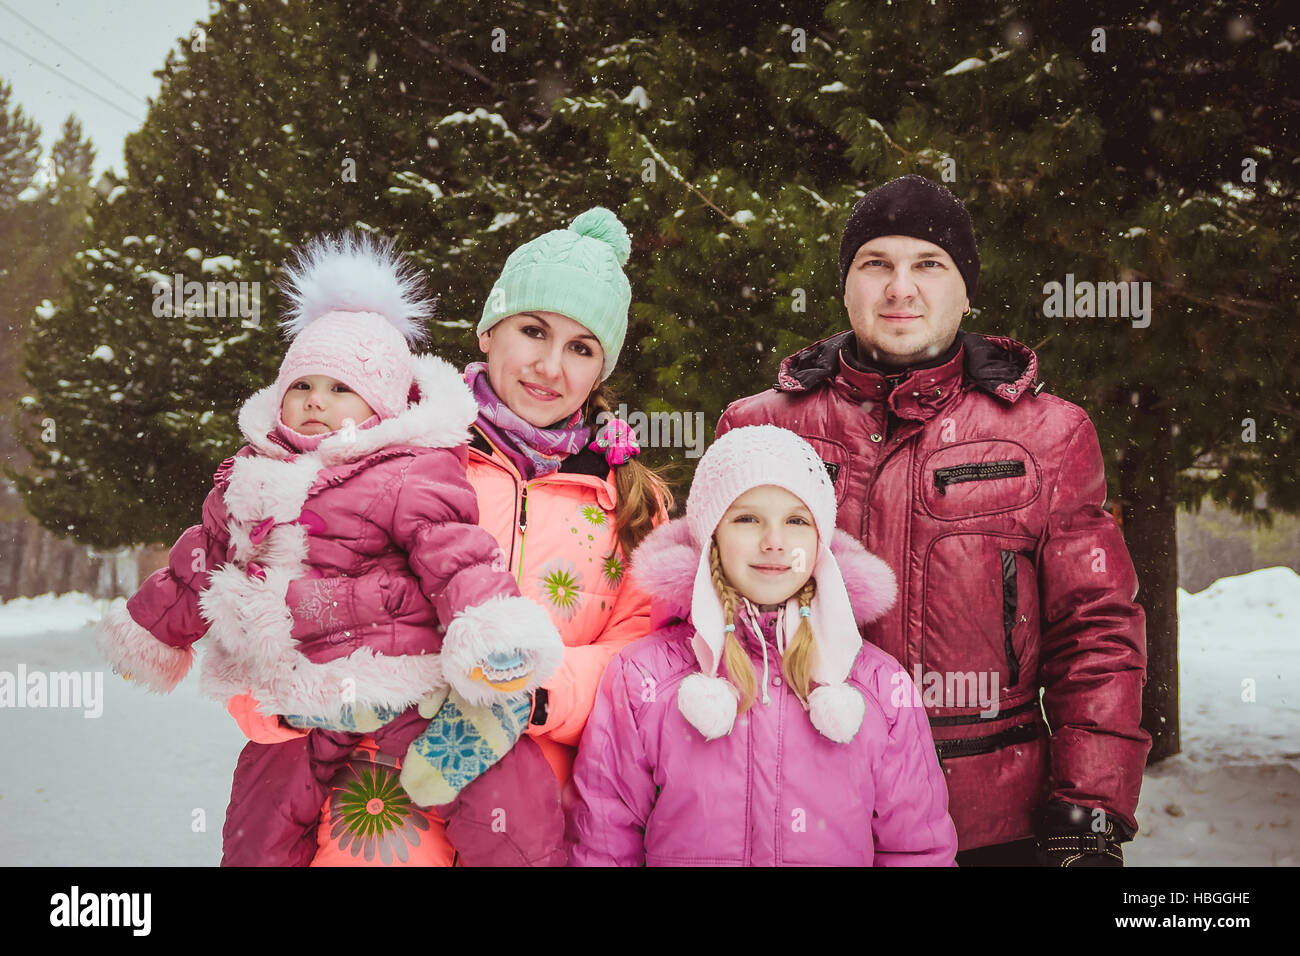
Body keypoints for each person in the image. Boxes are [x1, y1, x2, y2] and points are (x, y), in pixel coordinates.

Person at [716, 175, 1151, 866]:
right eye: (876, 264)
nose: (900, 287)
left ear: (965, 289)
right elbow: (706, 619)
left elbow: (1095, 630)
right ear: (847, 285)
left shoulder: (1048, 435)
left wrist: (1090, 807)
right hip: (798, 814)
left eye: (928, 264)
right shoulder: (761, 425)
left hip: (989, 824)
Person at [97, 232, 567, 867]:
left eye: (341, 389)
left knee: (509, 802)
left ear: (382, 407)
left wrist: (490, 631)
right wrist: (155, 634)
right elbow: (197, 565)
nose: (317, 400)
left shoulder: (409, 471)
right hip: (299, 693)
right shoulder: (248, 479)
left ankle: (478, 759)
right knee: (259, 819)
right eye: (304, 385)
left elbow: (456, 554)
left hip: (400, 678)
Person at [230, 206, 675, 865]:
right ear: (489, 329)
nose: (550, 366)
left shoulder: (631, 501)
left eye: (581, 348)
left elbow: (645, 662)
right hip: (371, 820)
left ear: (600, 370)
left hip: (533, 823)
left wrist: (536, 692)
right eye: (533, 329)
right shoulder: (385, 450)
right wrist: (289, 702)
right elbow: (260, 601)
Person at [566, 425, 956, 865]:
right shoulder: (643, 678)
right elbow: (603, 843)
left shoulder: (880, 686)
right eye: (747, 518)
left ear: (819, 541)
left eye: (795, 521)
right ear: (712, 536)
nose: (774, 541)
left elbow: (917, 851)